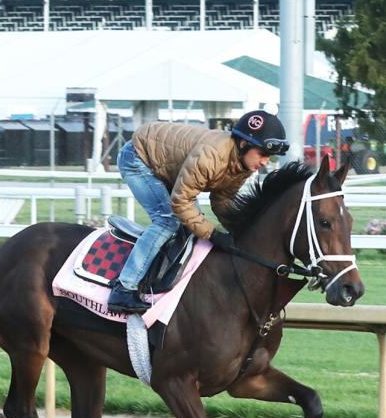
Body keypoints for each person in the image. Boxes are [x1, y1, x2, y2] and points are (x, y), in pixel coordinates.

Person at [106, 110, 290, 315]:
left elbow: (222, 200)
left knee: (191, 226)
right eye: (263, 153)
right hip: (138, 158)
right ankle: (124, 288)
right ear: (244, 144)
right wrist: (212, 234)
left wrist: (238, 231)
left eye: (269, 155)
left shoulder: (242, 165)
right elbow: (181, 201)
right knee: (168, 221)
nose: (265, 161)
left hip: (166, 164)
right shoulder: (210, 156)